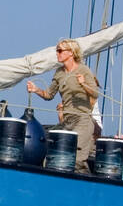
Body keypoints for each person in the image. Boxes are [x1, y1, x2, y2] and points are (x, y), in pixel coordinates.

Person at [27, 38, 101, 172]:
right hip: (67, 121)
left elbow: (95, 94)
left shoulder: (83, 70)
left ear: (71, 53)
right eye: (57, 50)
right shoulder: (59, 73)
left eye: (60, 50)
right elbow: (49, 95)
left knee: (77, 160)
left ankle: (87, 186)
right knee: (51, 154)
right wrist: (36, 89)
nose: (57, 53)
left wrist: (83, 84)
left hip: (82, 120)